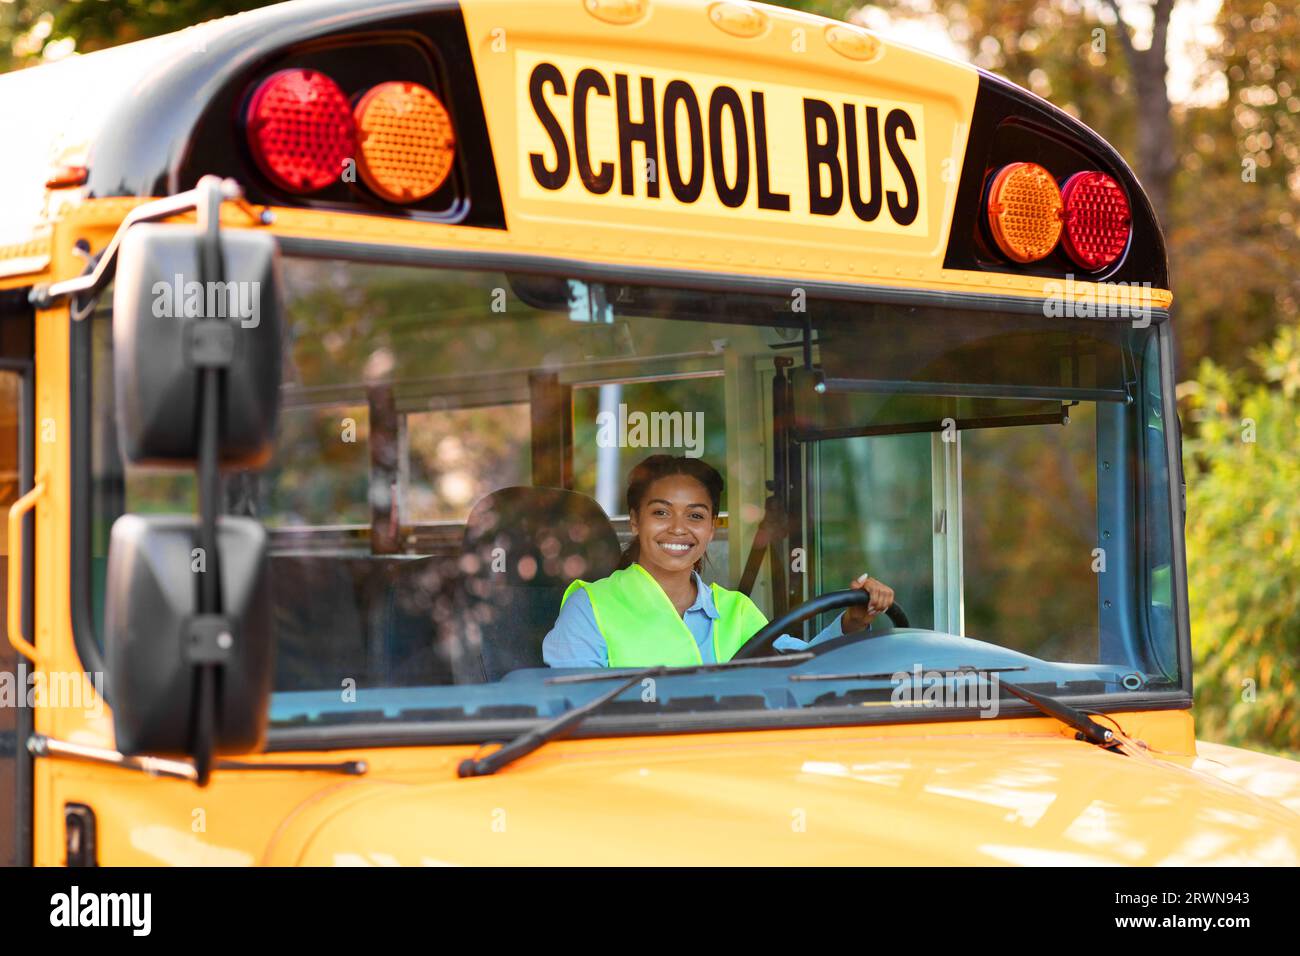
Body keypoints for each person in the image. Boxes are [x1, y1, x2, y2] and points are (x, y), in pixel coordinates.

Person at [543, 454, 895, 668]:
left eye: (695, 516)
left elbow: (804, 671)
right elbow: (572, 715)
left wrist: (851, 622)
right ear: (635, 521)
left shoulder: (735, 611)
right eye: (661, 512)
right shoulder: (590, 607)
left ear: (712, 528)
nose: (678, 529)